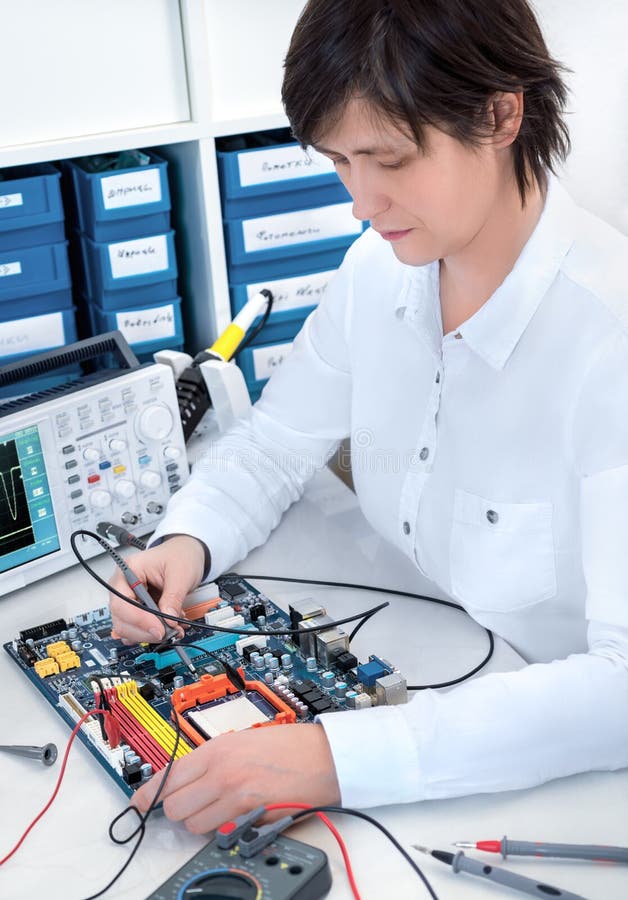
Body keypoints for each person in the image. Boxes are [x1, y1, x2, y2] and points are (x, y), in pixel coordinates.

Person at [110, 0, 628, 834]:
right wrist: (188, 538)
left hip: (550, 776)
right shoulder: (376, 273)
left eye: (387, 159)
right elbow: (276, 444)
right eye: (340, 162)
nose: (361, 201)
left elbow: (621, 691)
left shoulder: (611, 341)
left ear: (501, 113)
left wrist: (334, 759)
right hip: (419, 656)